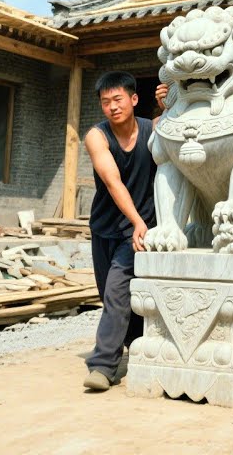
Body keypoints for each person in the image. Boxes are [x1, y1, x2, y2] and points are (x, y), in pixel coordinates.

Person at [82, 71, 157, 391]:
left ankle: (102, 365)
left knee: (116, 289)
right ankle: (141, 345)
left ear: (134, 99)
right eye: (105, 102)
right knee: (112, 295)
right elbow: (112, 182)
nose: (112, 107)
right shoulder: (96, 136)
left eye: (118, 100)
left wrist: (141, 223)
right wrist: (135, 218)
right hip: (104, 228)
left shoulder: (153, 131)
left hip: (140, 231)